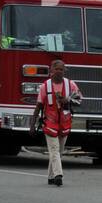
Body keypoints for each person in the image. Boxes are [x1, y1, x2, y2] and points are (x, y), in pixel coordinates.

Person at [31, 58, 80, 186]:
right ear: (51, 70)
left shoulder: (71, 85)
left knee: (59, 151)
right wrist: (32, 124)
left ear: (65, 71)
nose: (58, 71)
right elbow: (39, 106)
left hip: (65, 122)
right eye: (56, 69)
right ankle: (58, 175)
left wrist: (67, 100)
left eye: (61, 69)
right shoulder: (44, 86)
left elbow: (79, 100)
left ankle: (51, 177)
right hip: (50, 123)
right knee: (54, 149)